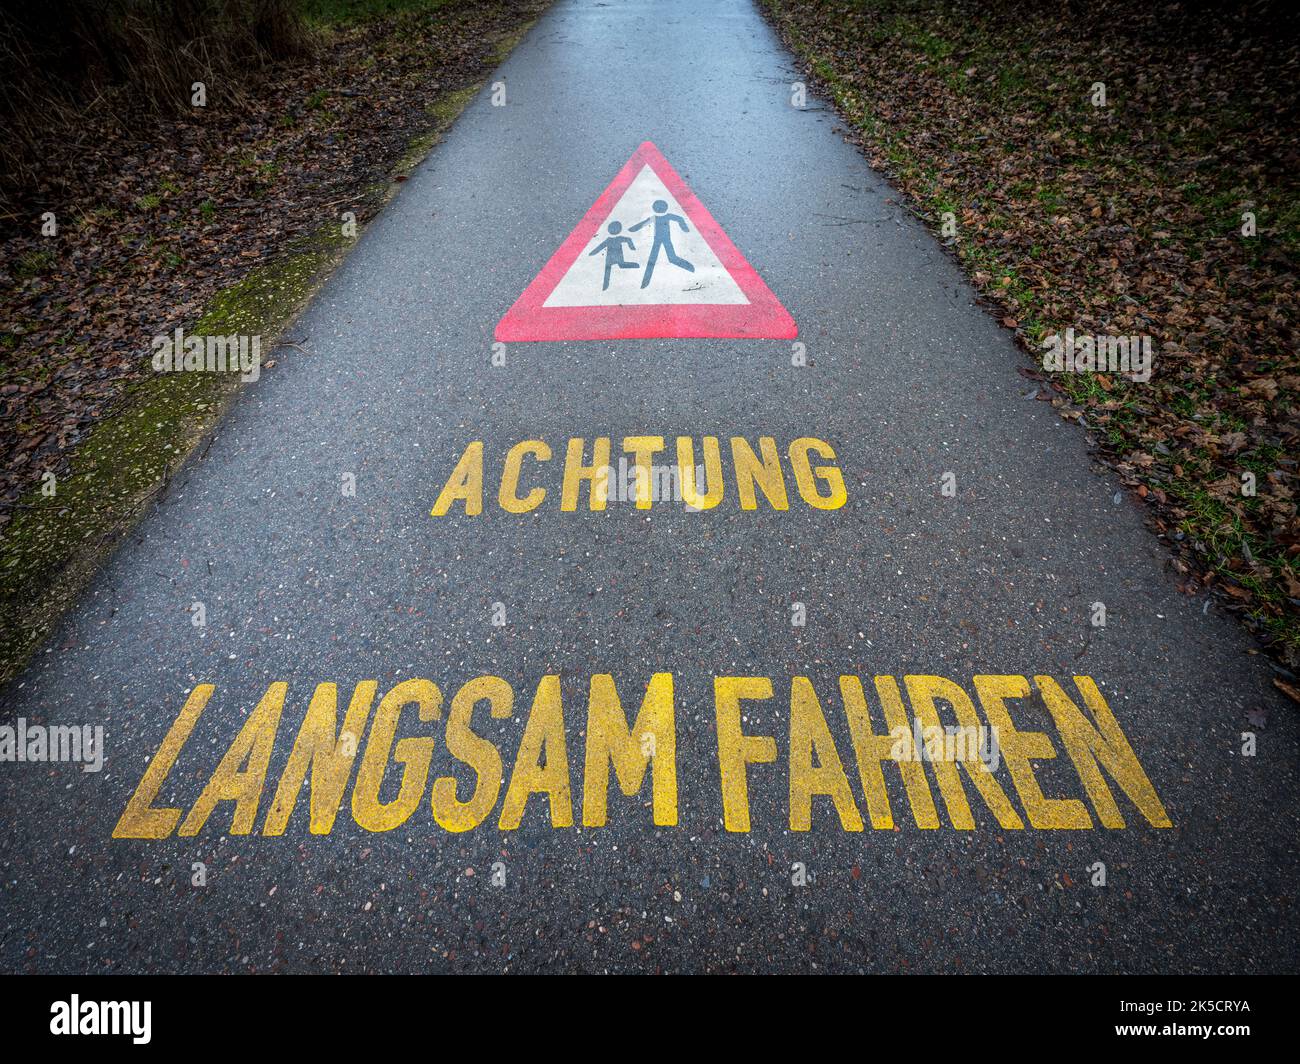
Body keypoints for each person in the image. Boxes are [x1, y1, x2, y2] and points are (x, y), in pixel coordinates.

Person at [628, 199, 694, 288]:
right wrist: (633, 229)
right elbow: (643, 223)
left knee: (670, 258)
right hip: (658, 240)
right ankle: (645, 282)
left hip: (666, 239)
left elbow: (679, 219)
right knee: (654, 259)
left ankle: (689, 267)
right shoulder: (655, 217)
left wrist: (684, 228)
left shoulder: (663, 216)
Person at [588, 221, 639, 291]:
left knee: (609, 270)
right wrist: (632, 247)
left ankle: (605, 286)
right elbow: (628, 239)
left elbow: (600, 247)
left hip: (610, 258)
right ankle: (605, 286)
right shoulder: (617, 238)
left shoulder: (609, 240)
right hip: (616, 257)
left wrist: (592, 253)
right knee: (619, 266)